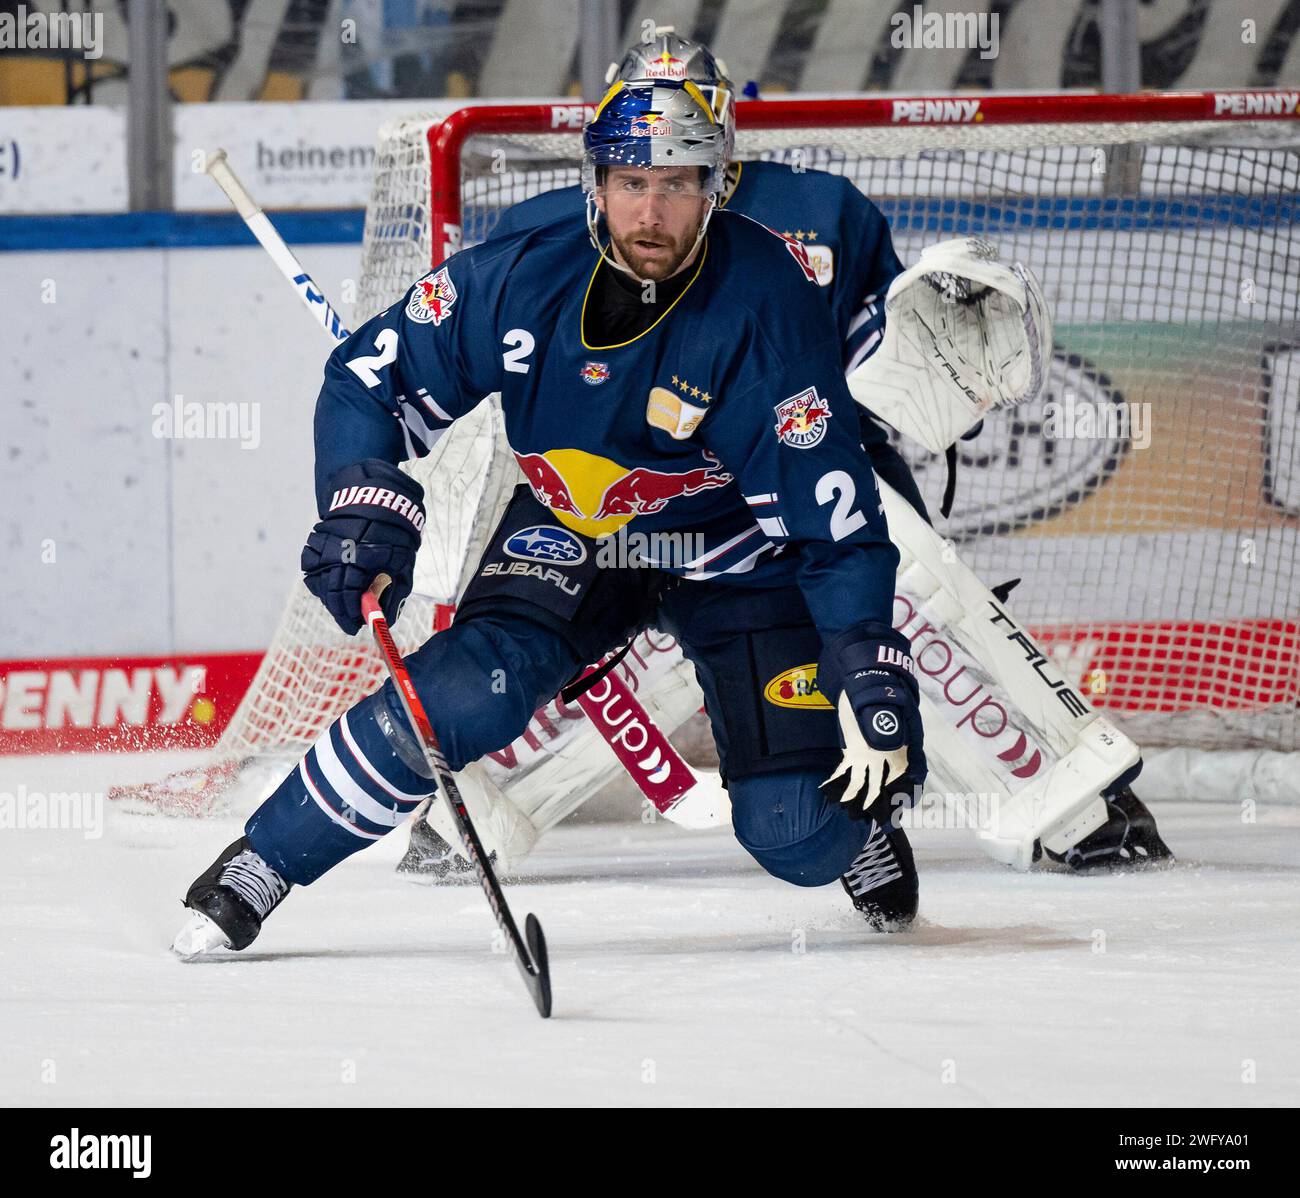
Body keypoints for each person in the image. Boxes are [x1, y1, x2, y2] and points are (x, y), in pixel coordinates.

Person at [172, 78, 929, 959]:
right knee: (460, 692)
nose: (653, 210)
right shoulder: (523, 268)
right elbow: (364, 379)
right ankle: (264, 860)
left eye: (679, 183)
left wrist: (867, 657)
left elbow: (832, 522)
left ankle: (858, 833)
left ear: (716, 188)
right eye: (632, 182)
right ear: (595, 184)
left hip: (735, 551)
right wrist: (360, 495)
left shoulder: (768, 300)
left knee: (795, 830)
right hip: (579, 530)